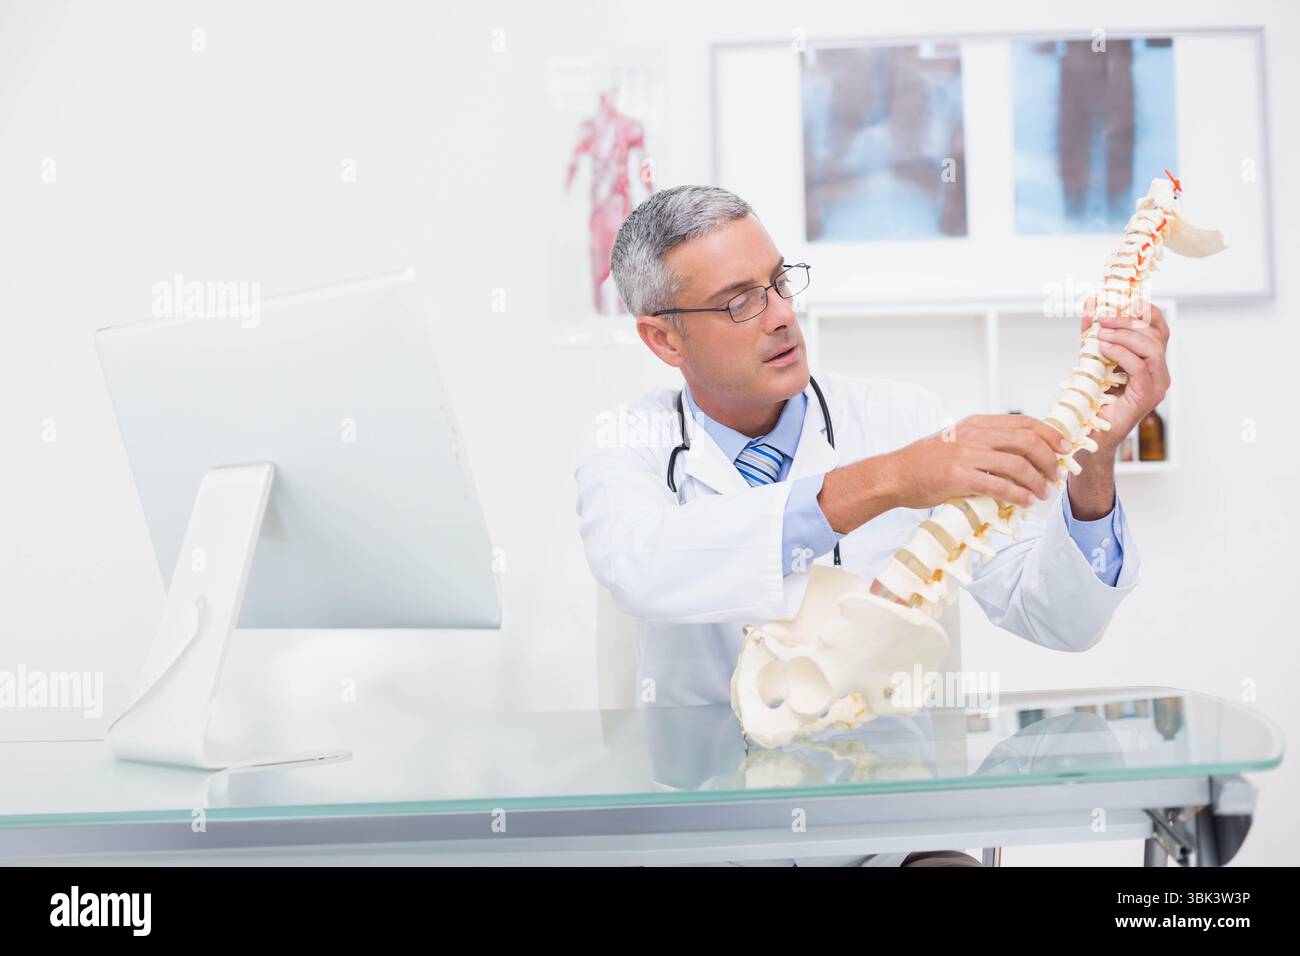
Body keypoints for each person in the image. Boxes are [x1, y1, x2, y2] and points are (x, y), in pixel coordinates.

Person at [575, 185, 1167, 866]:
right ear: (662, 337)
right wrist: (891, 481)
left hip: (890, 842)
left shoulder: (900, 419)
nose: (780, 319)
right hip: (707, 844)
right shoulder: (628, 443)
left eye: (777, 283)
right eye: (740, 301)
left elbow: (1057, 616)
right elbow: (642, 567)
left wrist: (1095, 452)